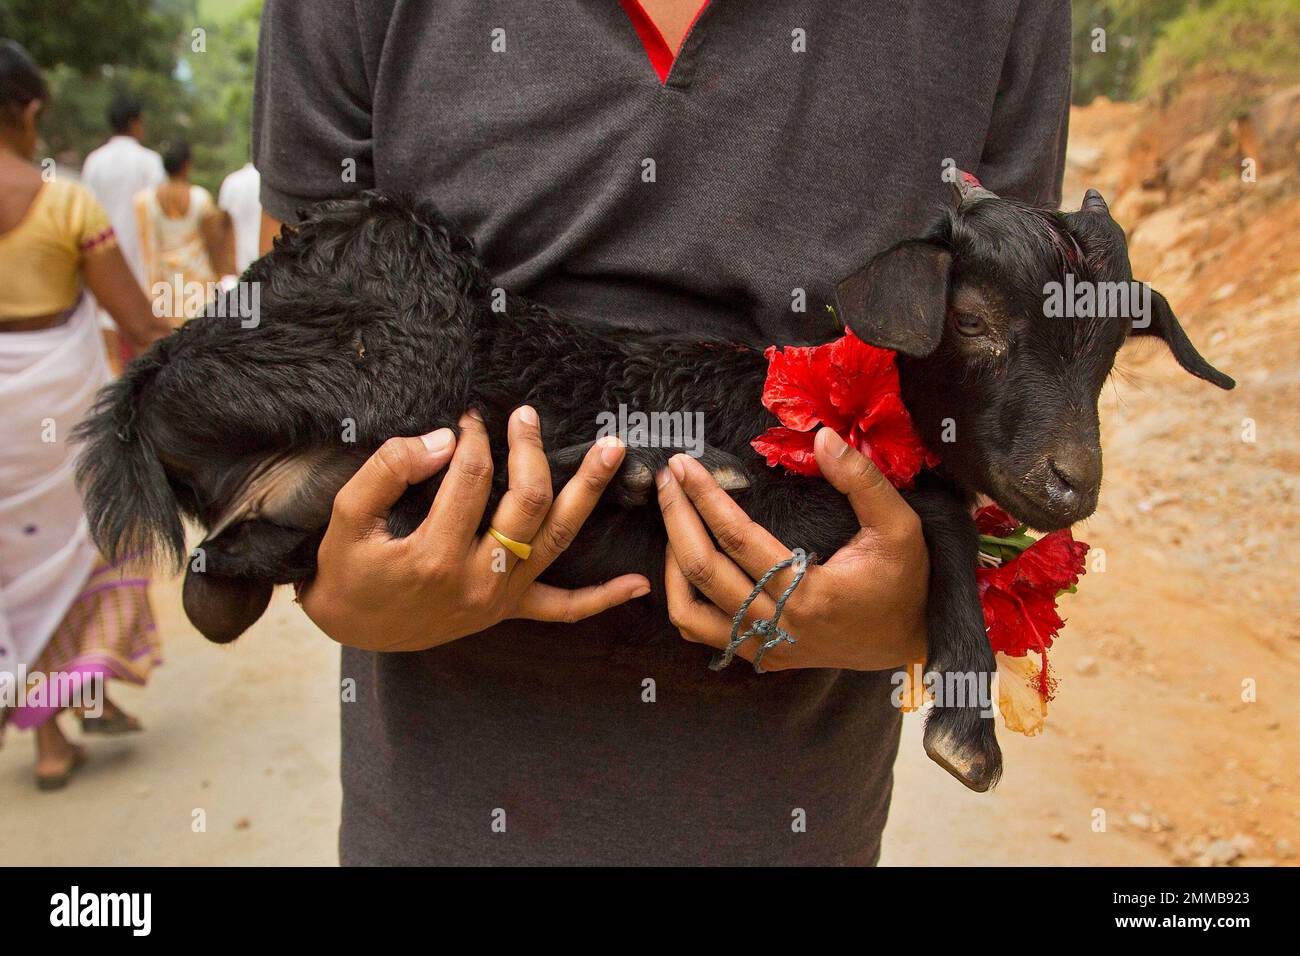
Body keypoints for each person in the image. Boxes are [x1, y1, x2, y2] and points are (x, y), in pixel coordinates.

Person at [253, 0, 1070, 864]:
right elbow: (294, 355)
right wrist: (335, 590)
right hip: (435, 819)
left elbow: (1008, 374)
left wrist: (920, 613)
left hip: (797, 817)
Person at [0, 39, 173, 789]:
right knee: (92, 540)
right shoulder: (64, 200)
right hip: (61, 409)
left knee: (14, 566)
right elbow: (136, 320)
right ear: (30, 108)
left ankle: (60, 729)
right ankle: (70, 712)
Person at [134, 141, 233, 324]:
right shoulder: (200, 198)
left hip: (164, 286)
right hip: (198, 284)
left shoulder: (144, 201)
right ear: (187, 165)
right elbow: (213, 244)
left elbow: (147, 248)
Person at [80, 95, 164, 292]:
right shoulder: (149, 162)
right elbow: (158, 211)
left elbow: (86, 212)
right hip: (144, 258)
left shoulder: (94, 161)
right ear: (134, 122)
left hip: (103, 257)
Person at [217, 160, 261, 274]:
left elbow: (223, 225)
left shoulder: (231, 182)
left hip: (237, 264)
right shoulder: (272, 185)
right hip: (267, 264)